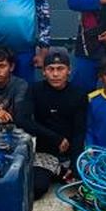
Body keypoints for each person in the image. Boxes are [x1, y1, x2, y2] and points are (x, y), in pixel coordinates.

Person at [27, 47, 88, 198]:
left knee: (87, 187)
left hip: (68, 155)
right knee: (37, 188)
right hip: (44, 153)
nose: (55, 74)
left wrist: (75, 166)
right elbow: (24, 121)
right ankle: (58, 172)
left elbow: (79, 132)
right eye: (50, 69)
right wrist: (56, 138)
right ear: (43, 71)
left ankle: (63, 171)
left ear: (69, 70)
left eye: (60, 69)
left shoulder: (79, 94)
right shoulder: (35, 90)